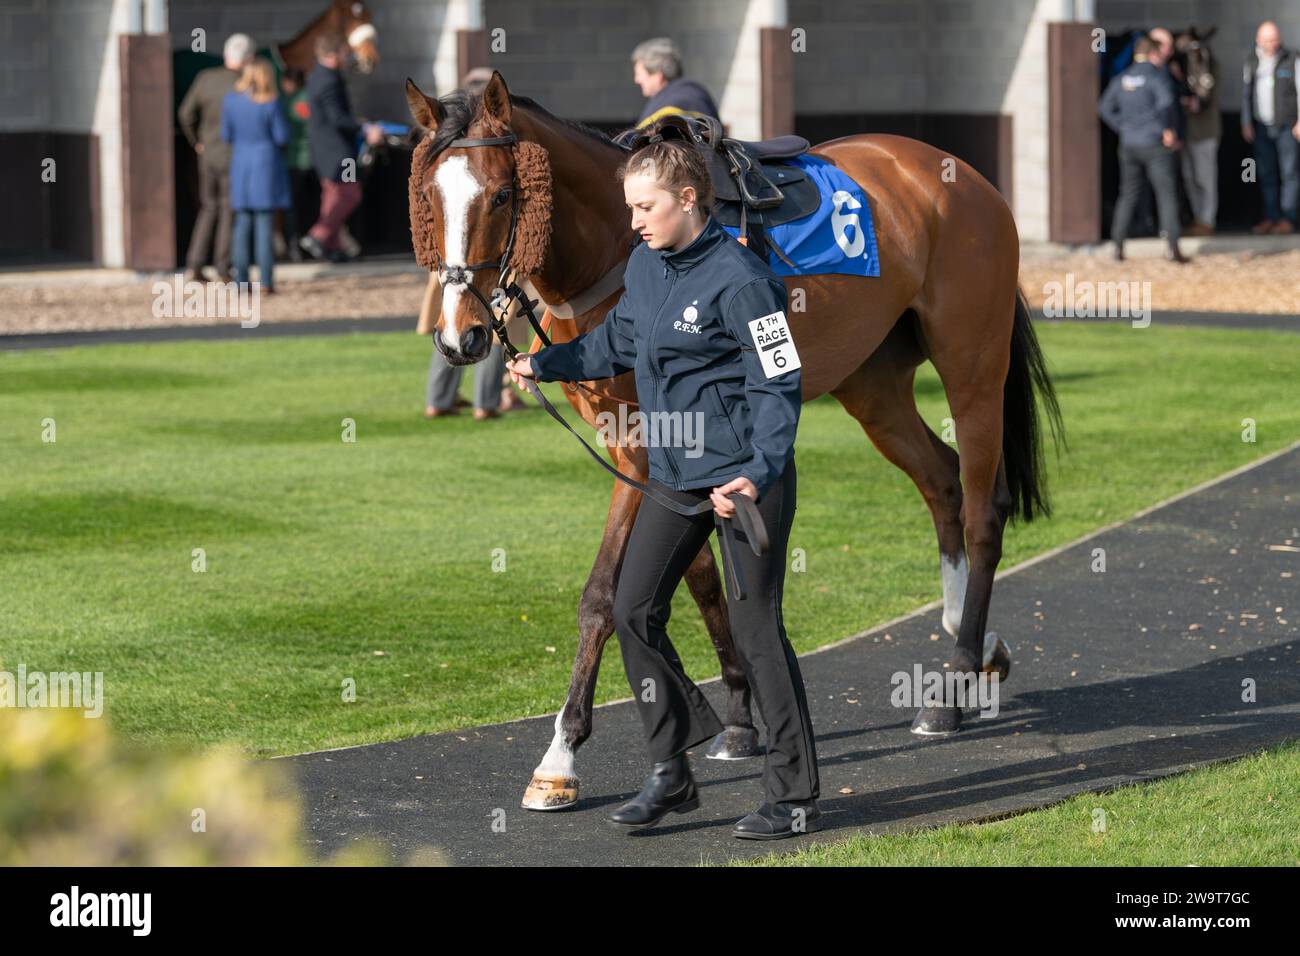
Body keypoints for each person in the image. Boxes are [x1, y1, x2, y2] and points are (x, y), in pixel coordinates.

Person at [506, 129, 821, 840]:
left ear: (687, 199)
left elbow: (780, 384)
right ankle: (672, 770)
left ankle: (794, 795)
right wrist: (548, 363)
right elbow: (615, 343)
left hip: (743, 479)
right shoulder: (646, 268)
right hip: (675, 476)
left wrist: (756, 472)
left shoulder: (745, 280)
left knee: (755, 631)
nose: (635, 221)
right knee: (632, 608)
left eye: (645, 207)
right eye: (629, 208)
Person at [423, 67, 527, 421]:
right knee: (495, 317)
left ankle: (440, 397)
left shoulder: (453, 145)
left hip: (453, 258)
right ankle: (487, 400)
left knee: (455, 315)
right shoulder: (475, 148)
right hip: (481, 256)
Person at [1099, 35, 1188, 263]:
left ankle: (1117, 247)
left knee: (1127, 194)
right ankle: (1172, 249)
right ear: (1153, 54)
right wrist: (1166, 129)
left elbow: (1104, 107)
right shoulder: (1157, 77)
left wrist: (1123, 127)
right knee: (1166, 195)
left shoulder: (1123, 78)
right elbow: (1167, 103)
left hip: (1129, 145)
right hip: (1155, 145)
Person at [301, 32, 384, 262]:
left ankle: (334, 248)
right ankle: (318, 235)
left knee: (332, 196)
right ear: (333, 54)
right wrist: (366, 128)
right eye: (344, 53)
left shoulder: (317, 76)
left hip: (324, 150)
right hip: (337, 152)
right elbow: (338, 118)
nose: (347, 58)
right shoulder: (329, 80)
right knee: (349, 193)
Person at [178, 33, 253, 283]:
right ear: (248, 58)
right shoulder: (245, 84)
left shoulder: (205, 79)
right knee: (228, 210)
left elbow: (185, 113)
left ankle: (195, 264)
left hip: (207, 154)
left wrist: (197, 141)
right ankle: (223, 267)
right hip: (234, 156)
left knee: (208, 208)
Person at [222, 57, 291, 293]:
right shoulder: (271, 103)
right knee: (264, 224)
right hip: (265, 163)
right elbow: (282, 136)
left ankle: (241, 281)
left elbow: (226, 135)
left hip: (241, 163)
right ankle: (265, 281)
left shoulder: (231, 101)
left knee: (242, 224)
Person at [1242, 20, 1300, 235]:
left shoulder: (1292, 59)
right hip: (1261, 127)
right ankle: (1270, 216)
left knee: (1289, 173)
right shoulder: (1251, 62)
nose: (1270, 44)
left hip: (1287, 126)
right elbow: (1246, 95)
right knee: (1264, 174)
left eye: (1274, 39)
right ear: (1258, 40)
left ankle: (1287, 218)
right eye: (1266, 40)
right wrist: (1246, 122)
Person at [632, 37, 720, 128]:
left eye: (639, 74)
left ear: (658, 76)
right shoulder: (697, 92)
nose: (636, 80)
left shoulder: (666, 108)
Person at [278, 68, 316, 262]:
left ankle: (293, 246)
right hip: (311, 160)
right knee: (309, 205)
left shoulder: (290, 100)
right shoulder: (309, 98)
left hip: (293, 160)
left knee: (292, 207)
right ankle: (308, 244)